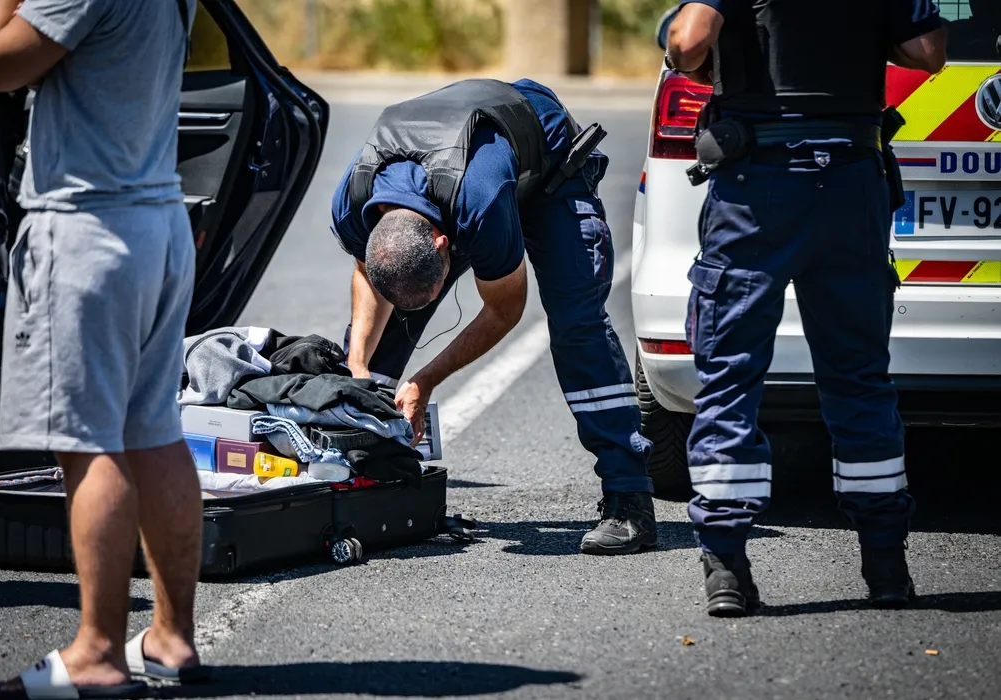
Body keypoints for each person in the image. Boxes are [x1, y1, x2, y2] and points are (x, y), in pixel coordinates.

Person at [664, 0, 947, 616]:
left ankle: (728, 568)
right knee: (859, 377)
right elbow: (928, 53)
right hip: (851, 184)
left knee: (731, 378)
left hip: (759, 192)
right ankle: (886, 565)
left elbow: (688, 45)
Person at [0, 0, 209, 696]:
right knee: (154, 432)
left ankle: (98, 654)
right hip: (157, 218)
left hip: (88, 229)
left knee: (89, 444)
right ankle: (170, 637)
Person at [330, 78, 658, 555]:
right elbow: (368, 269)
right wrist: (358, 365)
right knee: (373, 349)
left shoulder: (477, 205)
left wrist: (425, 380)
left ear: (446, 245)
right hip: (457, 174)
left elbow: (505, 309)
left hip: (547, 168)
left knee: (576, 323)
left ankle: (629, 498)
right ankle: (367, 474)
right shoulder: (355, 202)